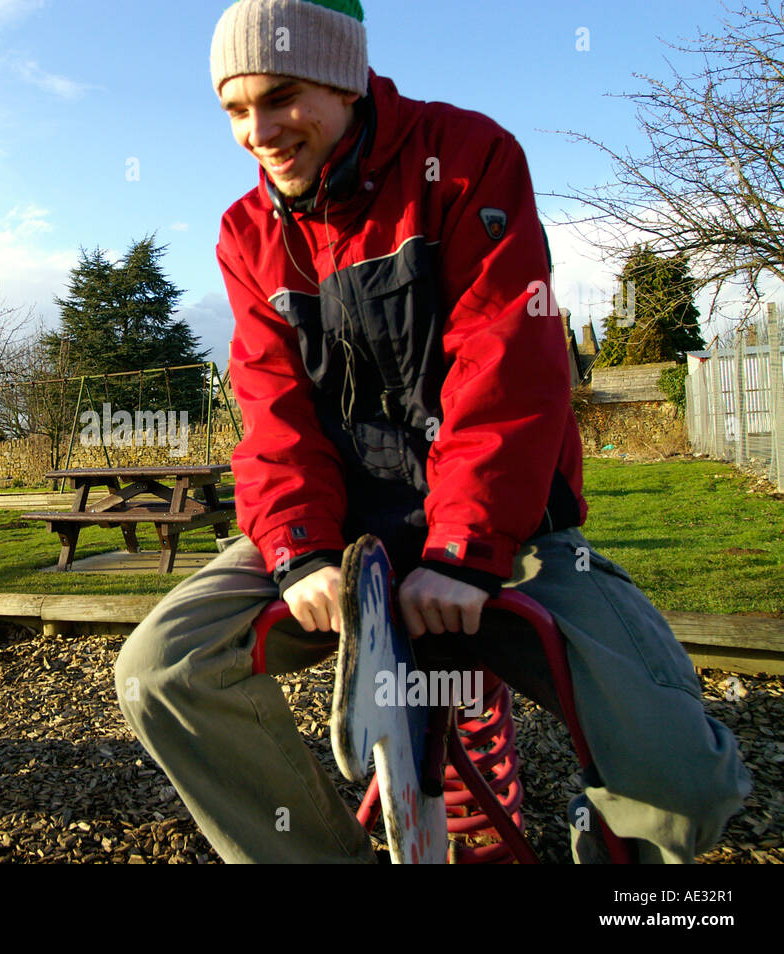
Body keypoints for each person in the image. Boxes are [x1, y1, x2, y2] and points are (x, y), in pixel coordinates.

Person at [116, 0, 750, 863]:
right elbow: (273, 414)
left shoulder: (468, 160)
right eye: (234, 110)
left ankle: (616, 853)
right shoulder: (247, 234)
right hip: (345, 537)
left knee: (688, 784)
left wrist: (461, 551)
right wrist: (301, 550)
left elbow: (508, 367)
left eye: (280, 96)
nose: (257, 131)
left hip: (503, 535)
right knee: (162, 669)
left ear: (343, 77)